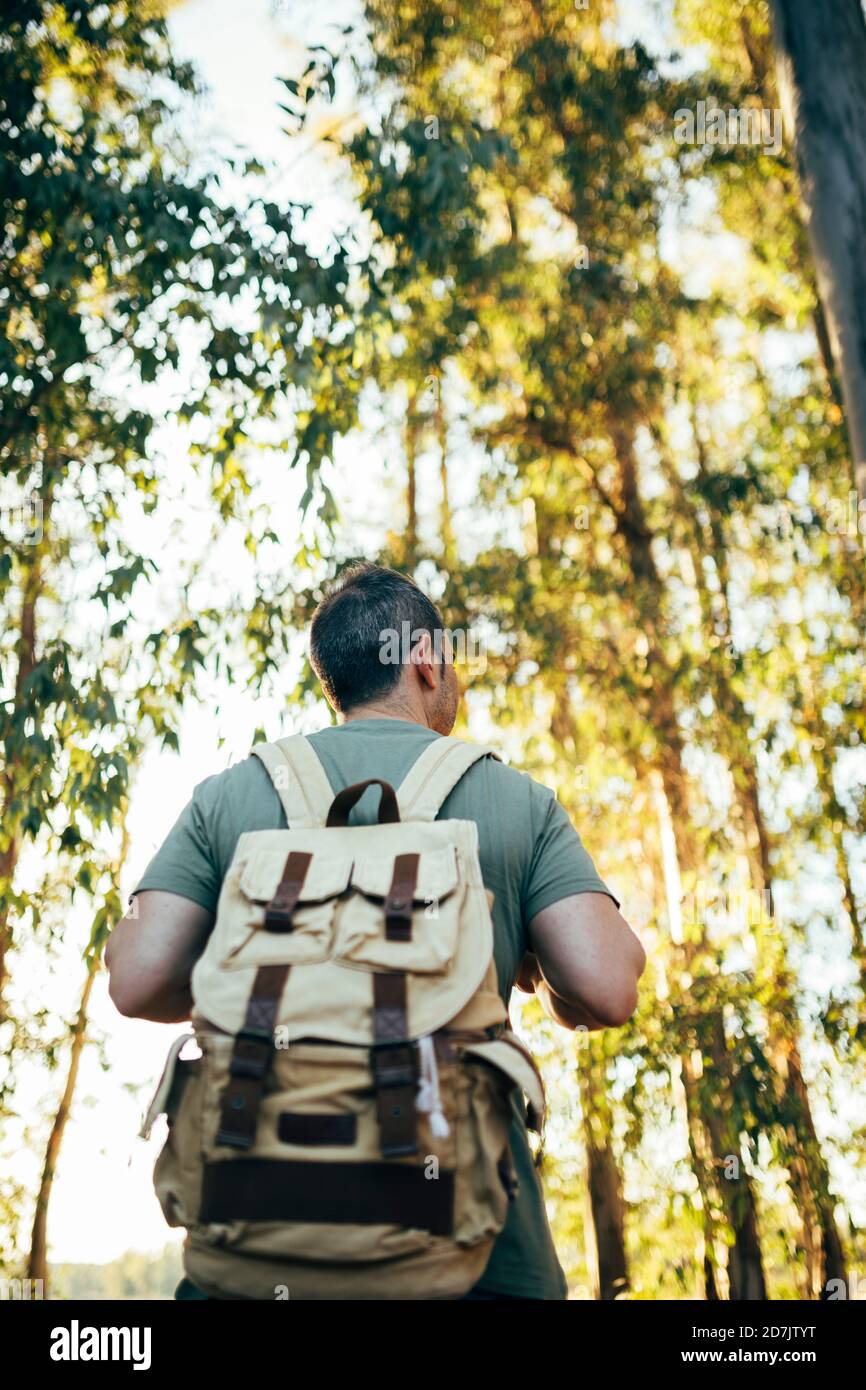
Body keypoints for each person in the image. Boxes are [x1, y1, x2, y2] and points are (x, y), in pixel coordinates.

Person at [106, 562, 646, 1300]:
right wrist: (536, 979)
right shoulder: (516, 800)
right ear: (425, 659)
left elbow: (137, 981)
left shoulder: (230, 795)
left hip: (261, 1224)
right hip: (472, 1240)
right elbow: (607, 988)